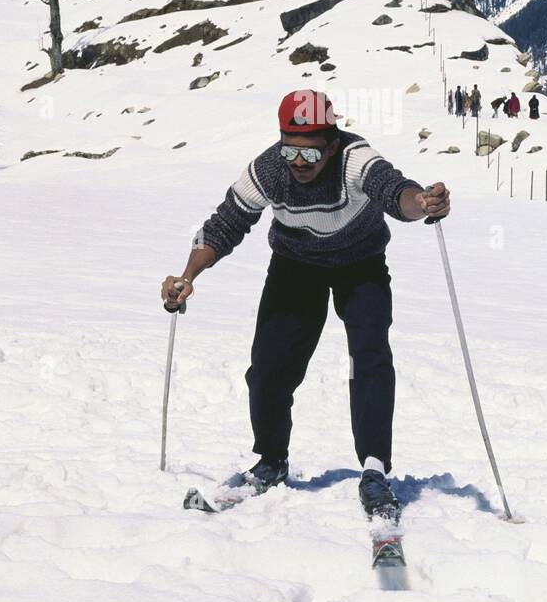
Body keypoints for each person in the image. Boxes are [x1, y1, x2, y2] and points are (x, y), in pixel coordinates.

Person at [161, 89, 450, 520]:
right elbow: (225, 223)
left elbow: (396, 193)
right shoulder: (269, 169)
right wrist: (187, 276)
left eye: (311, 156)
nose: (299, 164)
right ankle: (271, 460)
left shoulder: (355, 159)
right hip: (296, 266)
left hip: (360, 263)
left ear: (332, 145)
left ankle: (374, 469)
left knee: (369, 356)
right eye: (290, 151)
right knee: (268, 369)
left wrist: (422, 203)